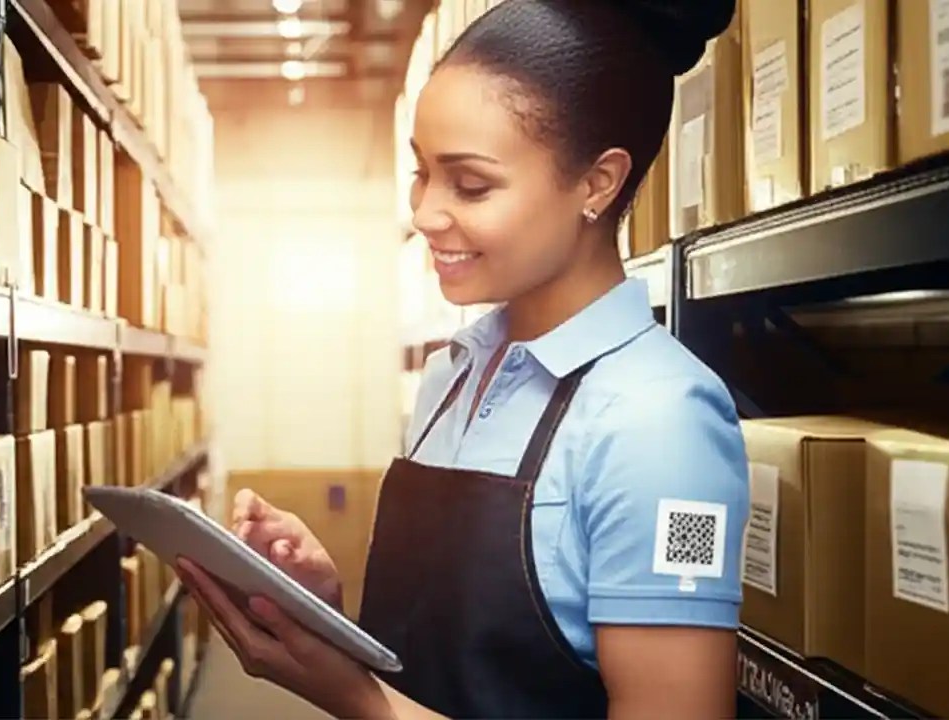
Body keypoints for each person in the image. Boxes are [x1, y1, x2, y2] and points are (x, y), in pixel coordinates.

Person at [176, 0, 749, 717]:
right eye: (421, 173)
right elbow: (450, 665)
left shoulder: (662, 424)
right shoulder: (453, 375)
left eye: (471, 185)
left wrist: (355, 696)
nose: (424, 213)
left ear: (597, 184)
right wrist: (325, 613)